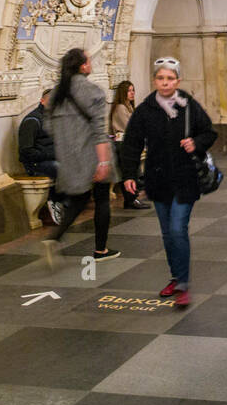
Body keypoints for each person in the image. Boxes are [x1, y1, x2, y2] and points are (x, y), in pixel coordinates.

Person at [118, 57, 217, 305]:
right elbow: (132, 143)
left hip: (185, 179)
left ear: (178, 81)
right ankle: (175, 276)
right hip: (158, 179)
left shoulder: (189, 106)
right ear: (154, 81)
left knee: (177, 228)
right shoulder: (145, 109)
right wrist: (129, 175)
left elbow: (209, 132)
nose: (165, 83)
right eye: (161, 78)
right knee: (166, 233)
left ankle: (182, 283)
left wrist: (196, 143)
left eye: (170, 78)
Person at [41, 48, 122, 268]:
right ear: (83, 66)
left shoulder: (55, 95)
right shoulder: (93, 91)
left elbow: (49, 128)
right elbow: (98, 130)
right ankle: (100, 249)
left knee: (79, 200)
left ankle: (53, 238)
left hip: (68, 157)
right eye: (89, 60)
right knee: (102, 199)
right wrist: (103, 162)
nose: (91, 64)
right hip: (93, 154)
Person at [19, 88, 63, 225]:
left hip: (51, 159)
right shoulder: (32, 120)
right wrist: (53, 154)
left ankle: (64, 202)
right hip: (35, 164)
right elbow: (26, 151)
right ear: (43, 101)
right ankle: (54, 201)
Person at [109, 80, 148, 210]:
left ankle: (132, 198)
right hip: (123, 143)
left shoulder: (128, 107)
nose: (132, 93)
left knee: (132, 170)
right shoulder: (120, 108)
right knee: (129, 172)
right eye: (129, 91)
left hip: (129, 142)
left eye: (133, 90)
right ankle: (131, 199)